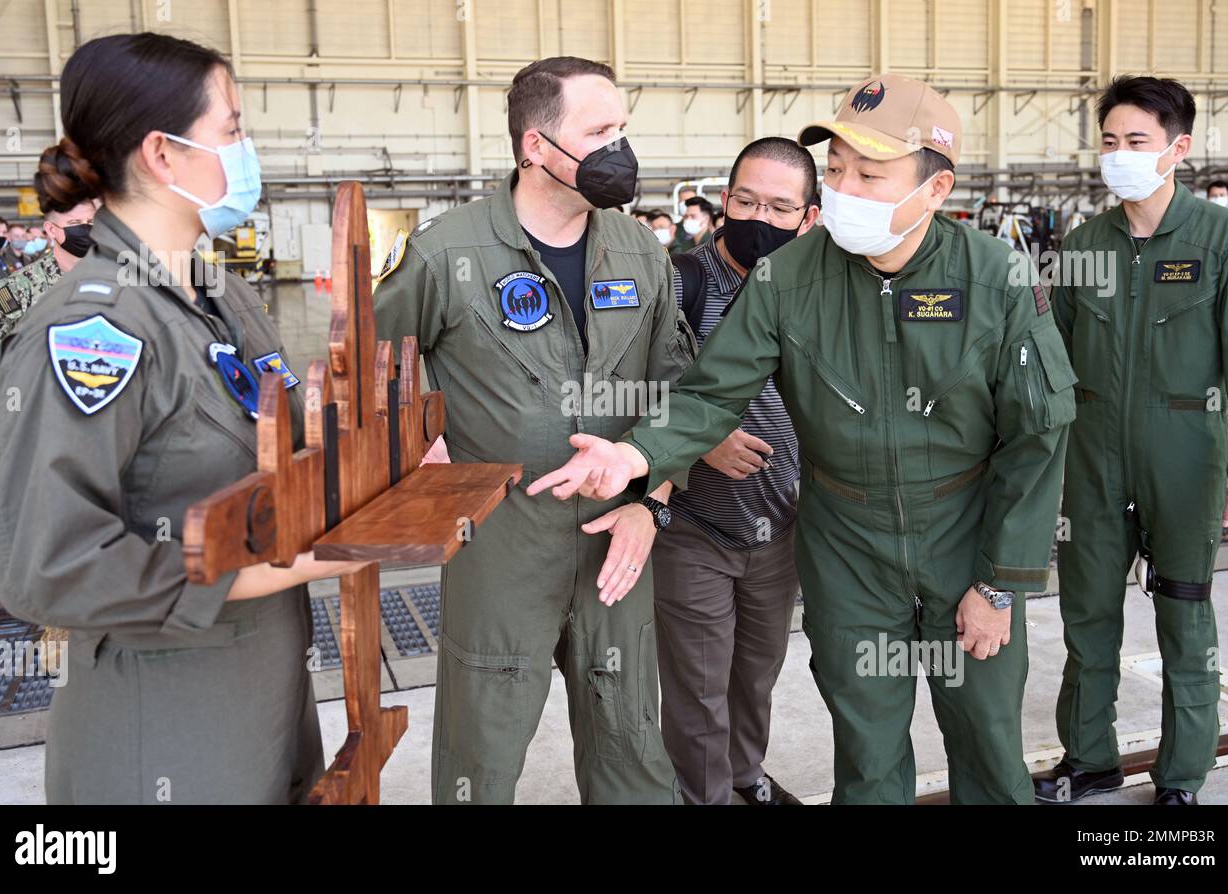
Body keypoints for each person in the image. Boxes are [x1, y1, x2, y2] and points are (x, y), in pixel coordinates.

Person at [528, 73, 1077, 805]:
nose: (846, 188)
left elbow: (1036, 440)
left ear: (936, 190)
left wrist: (999, 581)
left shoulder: (997, 278)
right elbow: (711, 393)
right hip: (845, 541)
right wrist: (634, 455)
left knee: (984, 735)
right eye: (841, 168)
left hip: (964, 531)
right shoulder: (789, 278)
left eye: (870, 173)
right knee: (867, 745)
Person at [0, 31, 353, 805]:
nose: (246, 149)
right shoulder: (97, 330)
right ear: (162, 153)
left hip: (269, 688)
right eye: (232, 129)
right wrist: (294, 562)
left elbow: (272, 446)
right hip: (168, 724)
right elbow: (43, 565)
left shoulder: (220, 296)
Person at [372, 55, 695, 805]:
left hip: (618, 543)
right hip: (500, 548)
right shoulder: (445, 253)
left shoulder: (641, 251)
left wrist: (654, 503)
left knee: (632, 753)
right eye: (599, 130)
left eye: (623, 128)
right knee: (478, 760)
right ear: (536, 147)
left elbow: (682, 393)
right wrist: (414, 437)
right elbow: (363, 371)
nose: (620, 148)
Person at [1037, 76, 1228, 807]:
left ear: (1179, 147)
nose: (1121, 155)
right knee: (1087, 617)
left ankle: (1180, 778)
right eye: (1110, 142)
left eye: (1137, 141)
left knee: (1185, 617)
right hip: (1093, 457)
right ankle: (1089, 759)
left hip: (1187, 459)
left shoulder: (1227, 242)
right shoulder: (1083, 244)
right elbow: (1054, 365)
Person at [657, 137, 818, 805]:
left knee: (756, 672)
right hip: (696, 526)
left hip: (780, 526)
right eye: (746, 200)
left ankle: (747, 779)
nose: (761, 218)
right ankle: (707, 797)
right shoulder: (681, 284)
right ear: (724, 202)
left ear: (808, 218)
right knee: (699, 685)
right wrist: (699, 440)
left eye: (782, 207)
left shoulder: (813, 289)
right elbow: (626, 388)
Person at [0, 145, 98, 393]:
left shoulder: (118, 279)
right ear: (51, 230)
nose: (85, 229)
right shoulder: (17, 289)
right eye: (75, 223)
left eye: (91, 223)